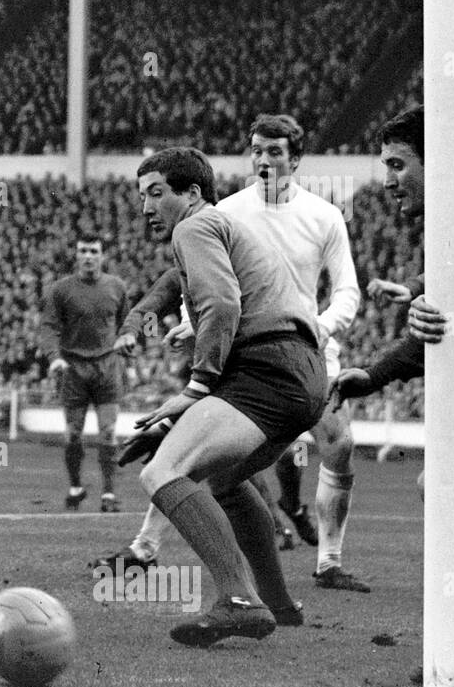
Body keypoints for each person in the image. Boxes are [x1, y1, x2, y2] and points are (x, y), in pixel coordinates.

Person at [95, 115, 366, 588]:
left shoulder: (324, 215)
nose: (263, 160)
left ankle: (325, 562)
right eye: (256, 150)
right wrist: (186, 322)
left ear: (296, 160)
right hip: (254, 354)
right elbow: (200, 282)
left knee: (335, 446)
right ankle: (156, 550)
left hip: (293, 350)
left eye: (275, 151)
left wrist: (323, 327)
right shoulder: (230, 210)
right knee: (213, 470)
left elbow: (346, 290)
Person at [331, 104, 454, 683]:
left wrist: (449, 315)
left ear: (443, 163)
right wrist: (372, 375)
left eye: (399, 164)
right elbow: (439, 318)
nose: (388, 179)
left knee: (450, 484)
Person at [130, 147, 324, 647]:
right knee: (224, 481)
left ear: (191, 193)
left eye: (156, 193)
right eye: (142, 196)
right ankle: (278, 604)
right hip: (303, 373)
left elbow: (222, 301)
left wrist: (197, 388)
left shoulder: (193, 228)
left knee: (163, 473)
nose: (147, 207)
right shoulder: (226, 228)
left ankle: (239, 601)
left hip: (266, 369)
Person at [38, 235, 130, 512]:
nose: (88, 256)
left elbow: (126, 324)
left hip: (106, 367)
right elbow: (49, 327)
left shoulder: (117, 287)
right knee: (73, 434)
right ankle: (76, 486)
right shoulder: (61, 290)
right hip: (73, 368)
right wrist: (54, 358)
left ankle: (109, 494)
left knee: (109, 432)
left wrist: (128, 342)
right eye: (83, 251)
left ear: (102, 255)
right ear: (76, 255)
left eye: (94, 251)